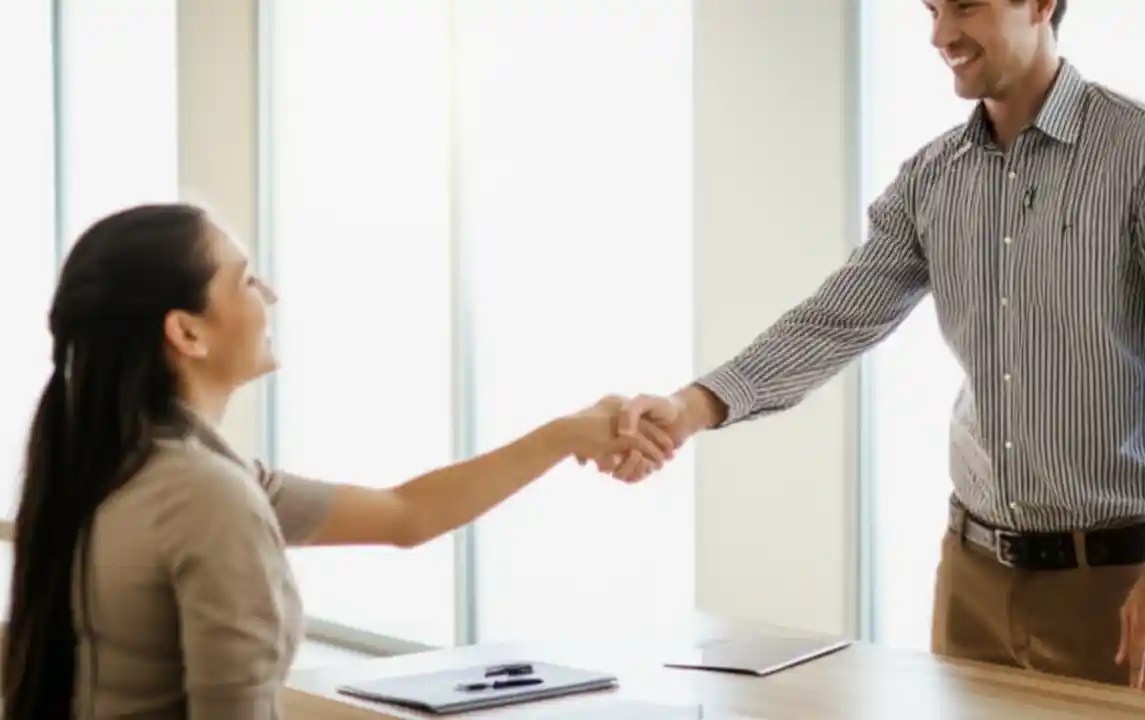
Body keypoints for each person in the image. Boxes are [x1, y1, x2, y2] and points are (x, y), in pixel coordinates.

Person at [598, 0, 1145, 694]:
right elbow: (834, 319)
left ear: (1041, 5)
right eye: (931, 9)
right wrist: (692, 406)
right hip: (971, 580)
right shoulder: (933, 177)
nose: (940, 34)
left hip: (1114, 587)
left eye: (965, 6)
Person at [1, 203, 675, 719]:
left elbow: (407, 514)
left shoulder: (128, 463)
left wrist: (564, 436)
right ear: (187, 332)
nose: (270, 296)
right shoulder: (204, 496)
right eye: (247, 280)